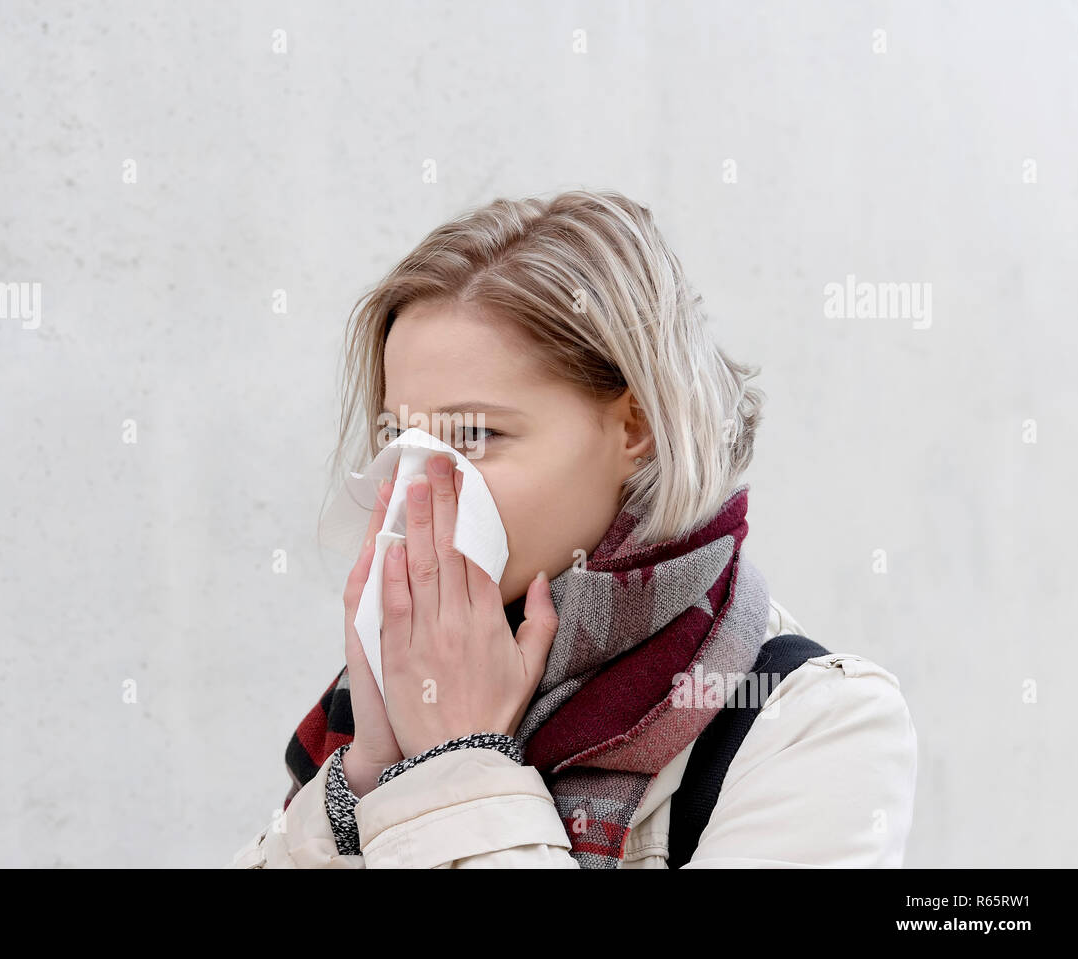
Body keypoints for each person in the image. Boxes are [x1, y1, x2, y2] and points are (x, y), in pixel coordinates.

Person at [231, 189, 919, 868]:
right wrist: (368, 785)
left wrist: (460, 771)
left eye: (473, 434)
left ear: (636, 425)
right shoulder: (384, 700)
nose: (420, 481)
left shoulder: (813, 726)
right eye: (400, 434)